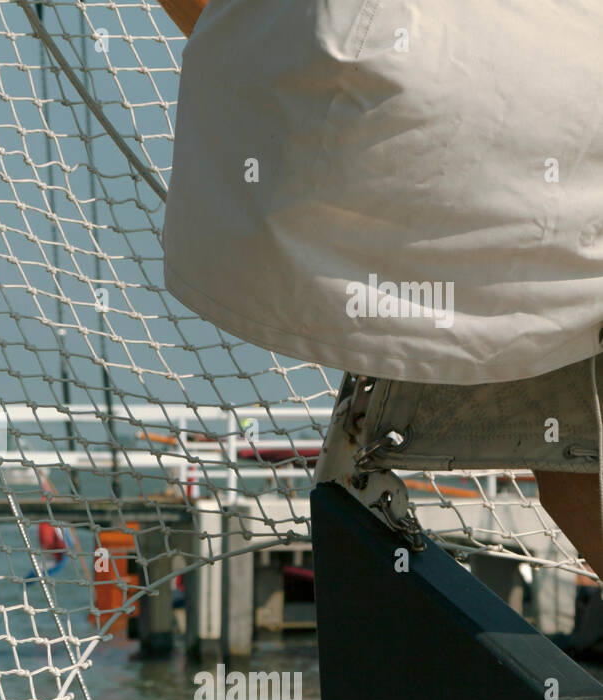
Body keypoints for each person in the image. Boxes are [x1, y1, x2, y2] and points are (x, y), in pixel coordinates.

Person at [160, 0, 603, 575]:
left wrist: (255, 54)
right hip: (559, 118)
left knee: (572, 465)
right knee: (575, 466)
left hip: (378, 121)